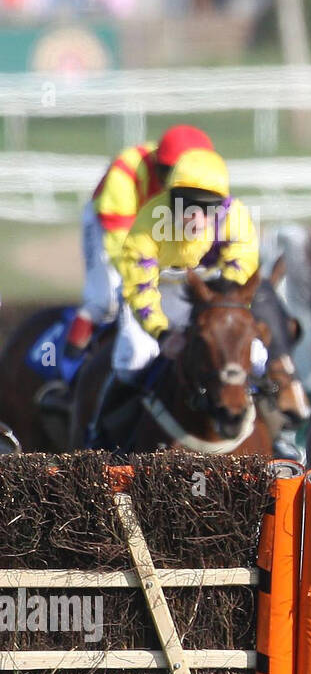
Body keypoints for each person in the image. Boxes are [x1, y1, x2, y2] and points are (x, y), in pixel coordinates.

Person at [84, 147, 262, 450]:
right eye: (186, 205)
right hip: (158, 295)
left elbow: (242, 264)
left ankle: (279, 434)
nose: (195, 215)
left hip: (212, 298)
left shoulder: (237, 217)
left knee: (257, 357)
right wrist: (162, 333)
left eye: (205, 208)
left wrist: (220, 302)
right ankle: (100, 439)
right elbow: (139, 285)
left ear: (222, 206)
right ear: (171, 199)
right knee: (134, 359)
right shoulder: (151, 219)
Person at [67, 125, 214, 360]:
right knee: (106, 301)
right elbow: (119, 243)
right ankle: (66, 372)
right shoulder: (125, 172)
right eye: (168, 172)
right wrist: (140, 276)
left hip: (148, 227)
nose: (173, 181)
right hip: (108, 223)